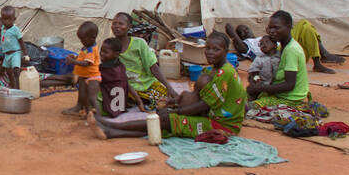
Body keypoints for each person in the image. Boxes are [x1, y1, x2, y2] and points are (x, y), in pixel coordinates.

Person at [92, 32, 246, 140]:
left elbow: (203, 104)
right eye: (207, 48)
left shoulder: (224, 73)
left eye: (216, 49)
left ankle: (113, 128)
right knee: (164, 120)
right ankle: (112, 130)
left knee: (167, 120)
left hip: (223, 125)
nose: (210, 52)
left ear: (226, 51)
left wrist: (178, 111)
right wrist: (173, 104)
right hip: (211, 114)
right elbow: (198, 96)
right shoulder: (211, 69)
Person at [110, 12, 175, 108]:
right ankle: (136, 100)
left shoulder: (139, 43)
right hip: (127, 87)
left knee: (169, 101)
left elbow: (153, 66)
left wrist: (169, 87)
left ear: (129, 26)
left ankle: (137, 101)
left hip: (147, 84)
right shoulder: (110, 46)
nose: (116, 26)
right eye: (114, 23)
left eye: (121, 24)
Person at [247, 11, 310, 107]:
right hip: (278, 92)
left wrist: (261, 88)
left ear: (289, 27)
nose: (272, 31)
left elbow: (289, 85)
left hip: (289, 98)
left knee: (248, 107)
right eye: (270, 27)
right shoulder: (280, 48)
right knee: (240, 97)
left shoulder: (291, 50)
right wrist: (256, 79)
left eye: (276, 28)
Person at [62, 21, 101, 118]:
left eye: (83, 39)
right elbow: (82, 58)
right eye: (80, 39)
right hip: (84, 76)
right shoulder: (86, 47)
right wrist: (75, 58)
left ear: (93, 37)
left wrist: (73, 62)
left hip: (91, 77)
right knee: (83, 95)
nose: (81, 41)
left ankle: (93, 115)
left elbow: (86, 63)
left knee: (90, 97)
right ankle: (82, 109)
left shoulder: (91, 50)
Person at [96, 36, 142, 117]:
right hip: (120, 108)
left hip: (107, 109)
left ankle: (88, 108)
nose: (101, 54)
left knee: (89, 82)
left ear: (116, 54)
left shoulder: (103, 69)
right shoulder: (121, 66)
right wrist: (139, 102)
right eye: (101, 51)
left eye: (105, 52)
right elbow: (128, 85)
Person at [0, 5, 24, 89]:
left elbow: (21, 41)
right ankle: (13, 87)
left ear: (14, 19)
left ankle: (18, 88)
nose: (7, 22)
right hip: (7, 54)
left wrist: (26, 54)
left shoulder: (15, 29)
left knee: (16, 70)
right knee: (8, 71)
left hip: (15, 53)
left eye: (9, 19)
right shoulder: (2, 28)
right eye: (4, 19)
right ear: (1, 19)